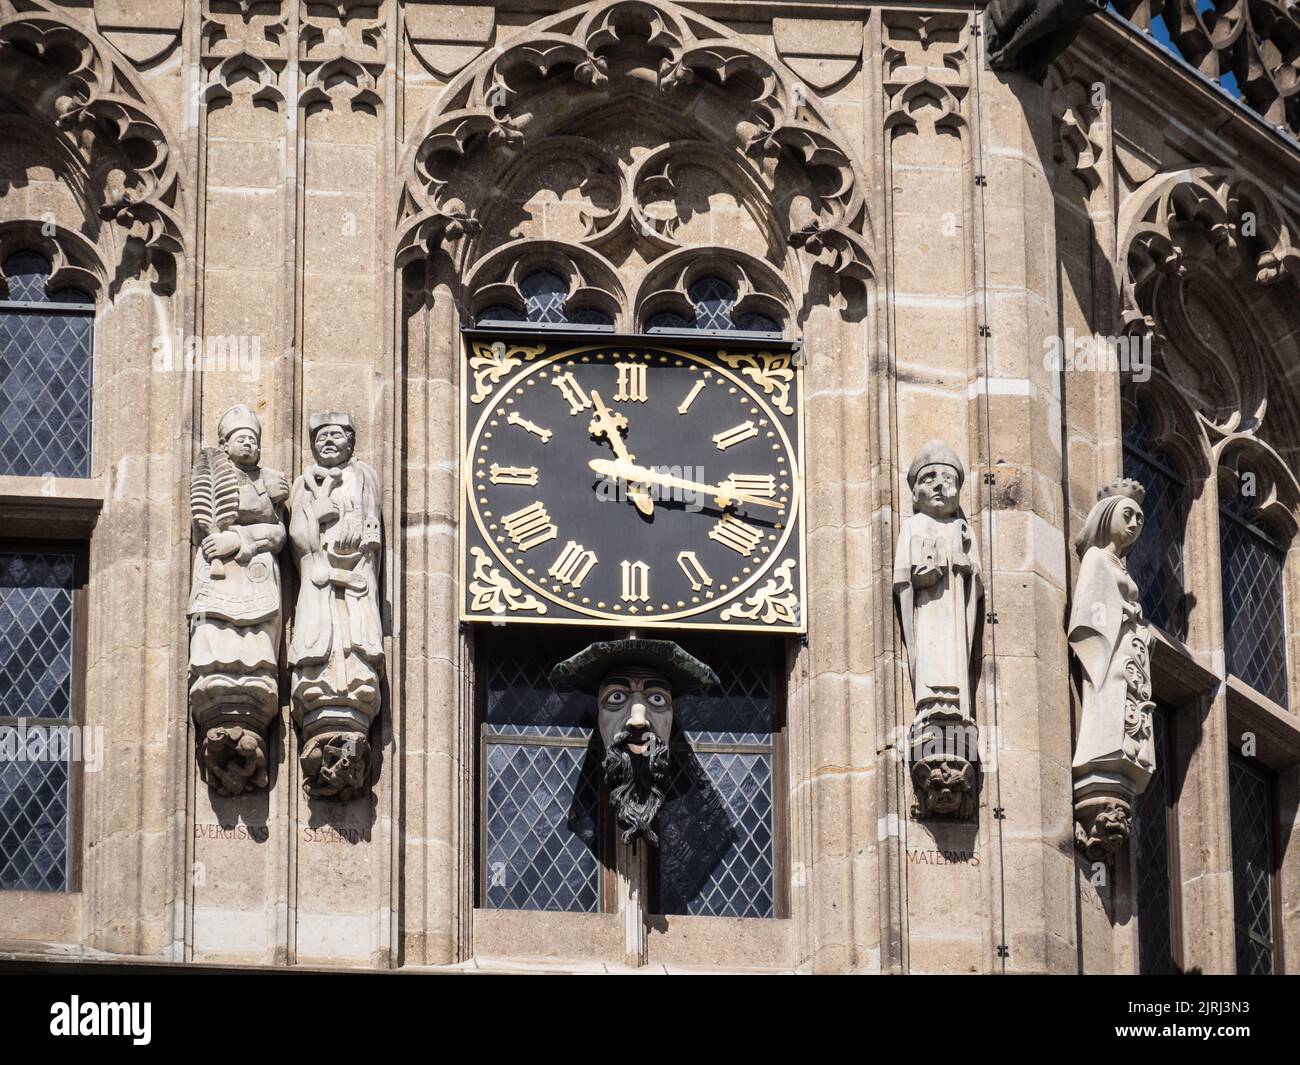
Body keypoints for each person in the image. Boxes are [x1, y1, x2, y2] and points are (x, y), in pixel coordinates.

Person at [188, 404, 288, 796]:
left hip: (255, 573)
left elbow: (278, 535)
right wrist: (220, 540)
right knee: (216, 631)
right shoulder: (216, 479)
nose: (248, 442)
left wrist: (240, 539)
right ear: (224, 445)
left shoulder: (270, 483)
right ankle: (218, 681)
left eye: (254, 438)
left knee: (255, 637)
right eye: (239, 437)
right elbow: (205, 520)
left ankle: (252, 681)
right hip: (217, 575)